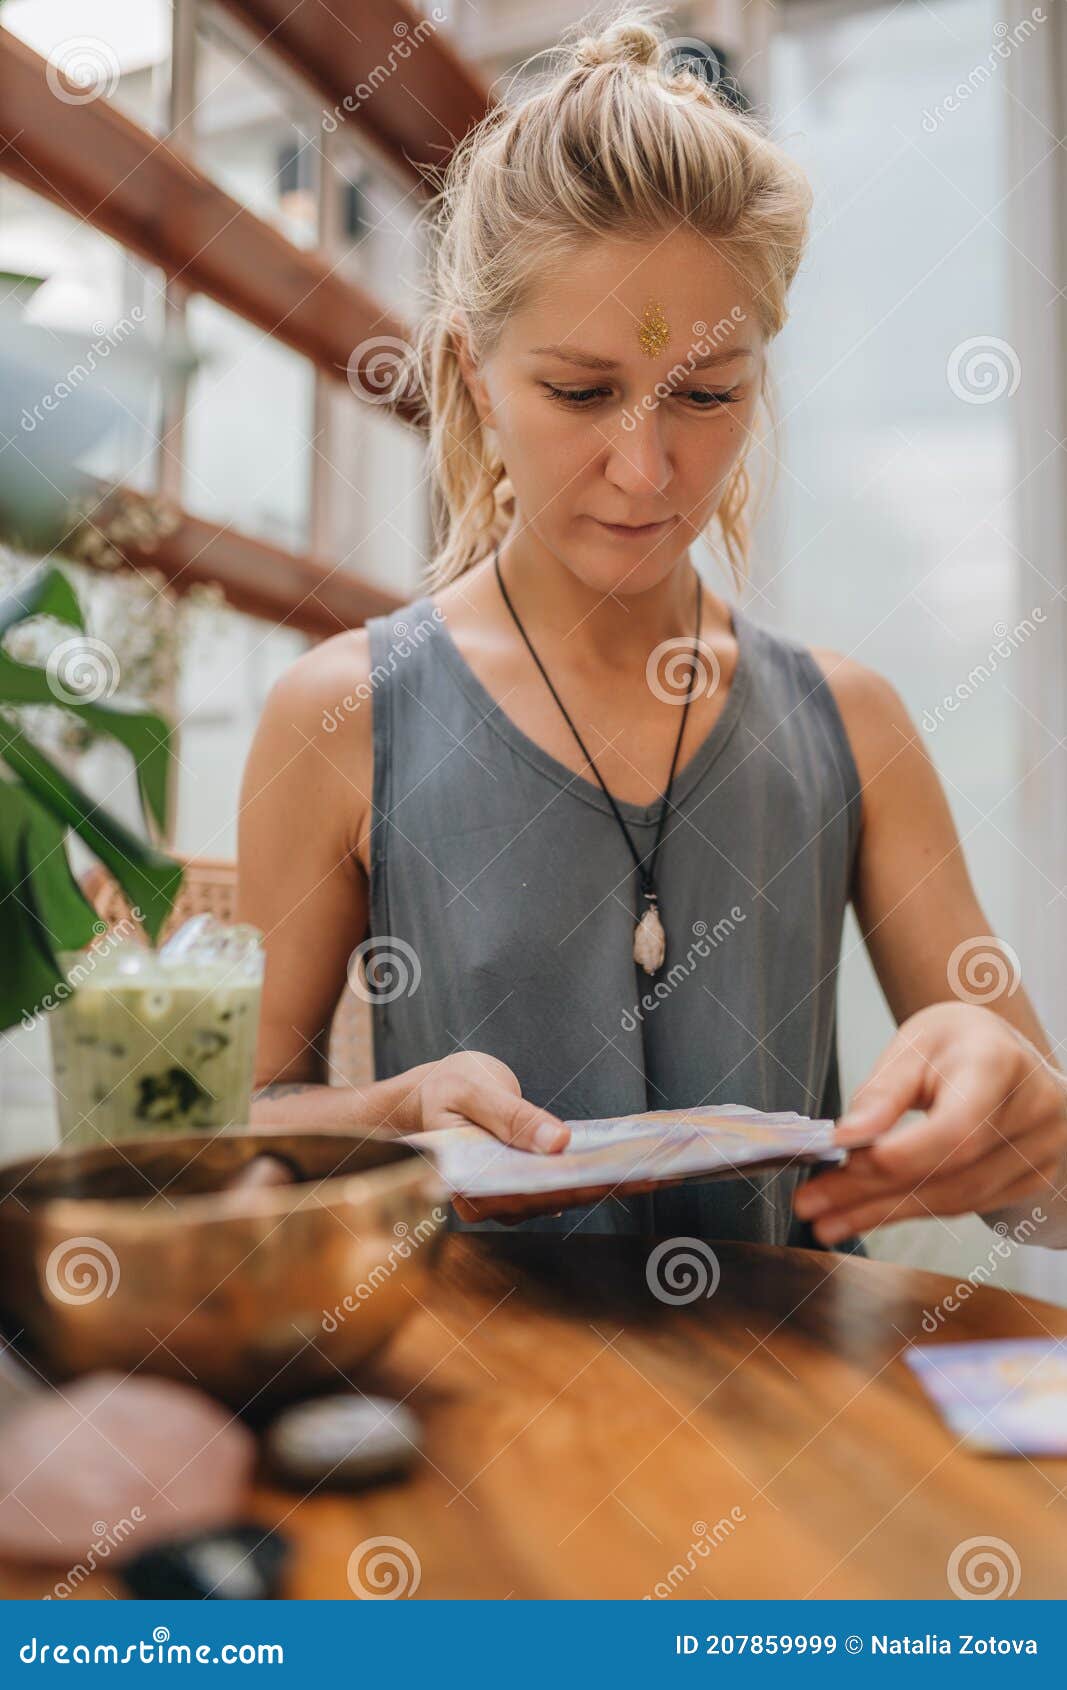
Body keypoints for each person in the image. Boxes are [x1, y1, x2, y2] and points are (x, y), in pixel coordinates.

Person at [238, 6, 1067, 1250]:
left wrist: (1017, 1119)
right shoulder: (343, 712)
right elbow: (229, 1134)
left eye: (706, 393)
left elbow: (1043, 1191)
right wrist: (390, 1110)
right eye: (580, 392)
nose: (646, 467)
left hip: (785, 1423)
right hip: (475, 1425)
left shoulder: (849, 722)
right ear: (471, 371)